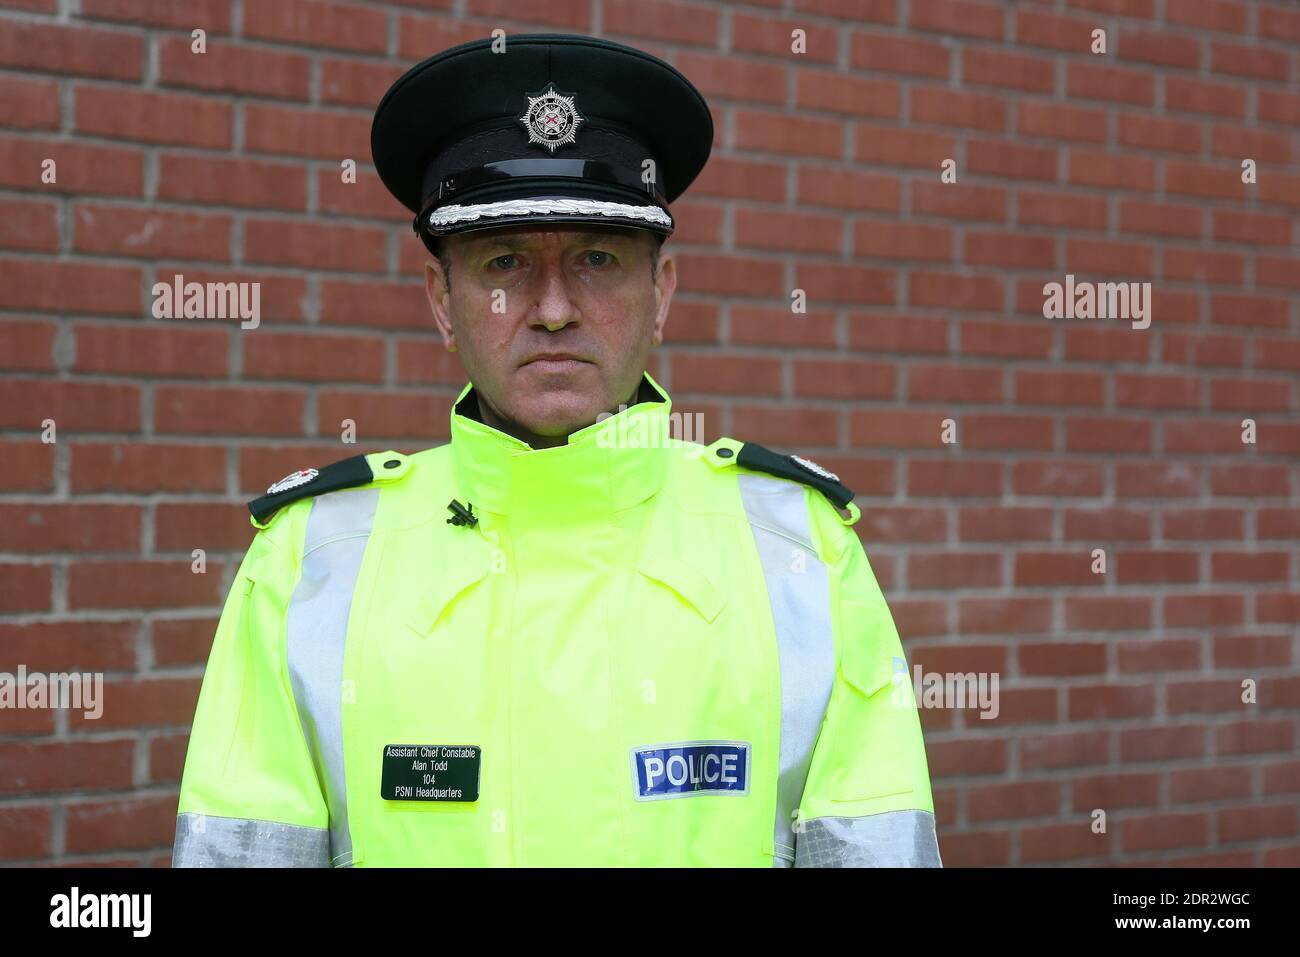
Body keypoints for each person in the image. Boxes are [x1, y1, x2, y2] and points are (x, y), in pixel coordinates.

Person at [171, 32, 941, 868]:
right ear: (442, 299)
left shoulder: (801, 548)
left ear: (661, 294)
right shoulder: (310, 560)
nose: (551, 308)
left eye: (598, 260)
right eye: (504, 261)